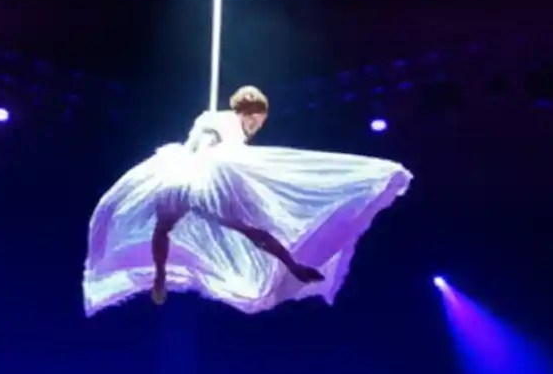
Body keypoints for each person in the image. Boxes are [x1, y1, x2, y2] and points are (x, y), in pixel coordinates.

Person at [83, 85, 412, 316]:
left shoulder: (219, 121)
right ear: (251, 112)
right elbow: (208, 142)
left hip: (180, 175)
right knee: (246, 228)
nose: (257, 126)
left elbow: (200, 142)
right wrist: (211, 156)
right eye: (258, 119)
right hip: (202, 177)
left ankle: (160, 276)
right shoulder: (224, 121)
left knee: (168, 227)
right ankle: (291, 264)